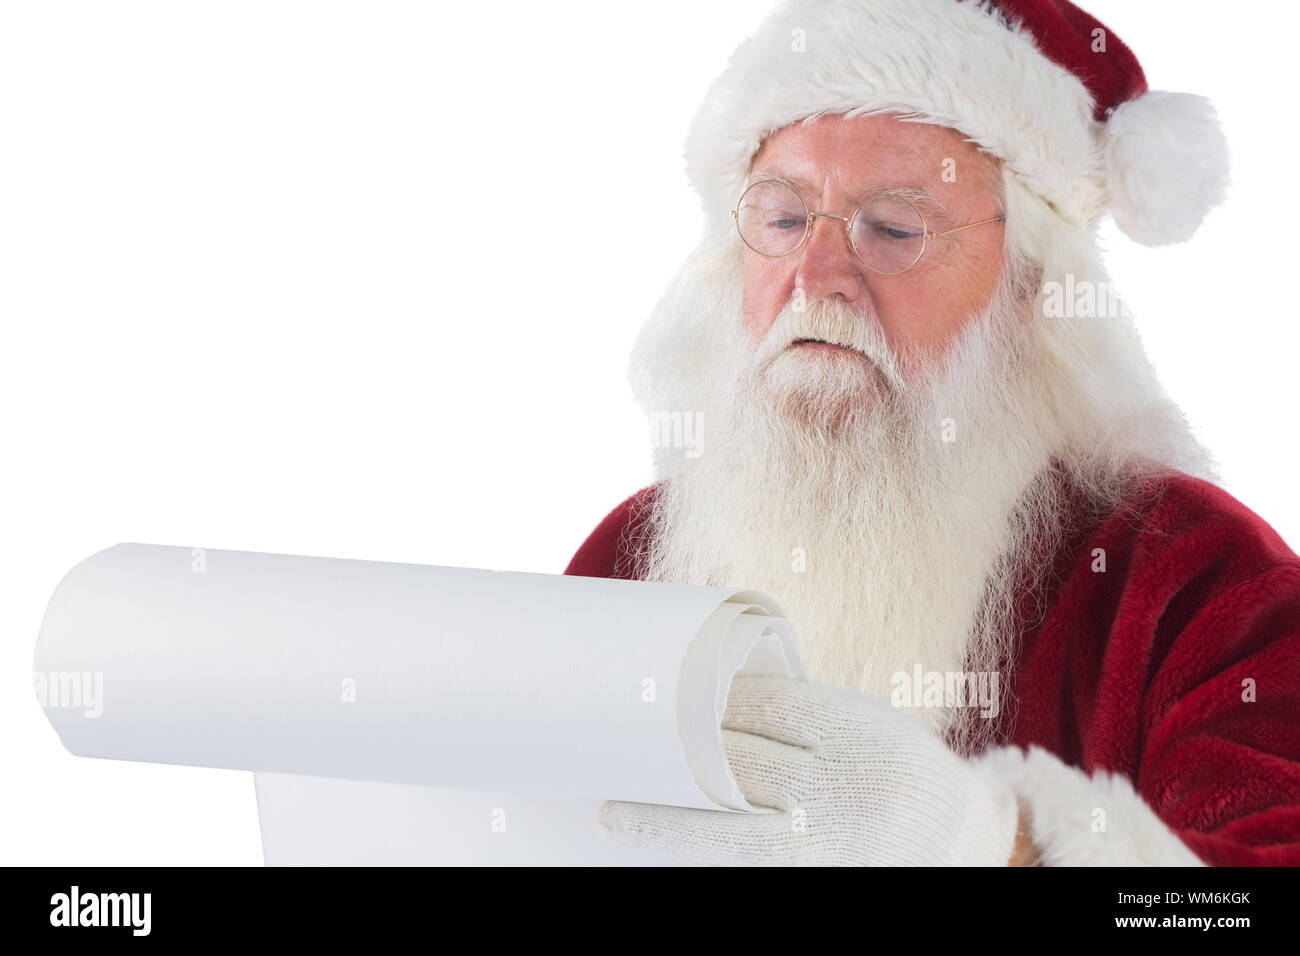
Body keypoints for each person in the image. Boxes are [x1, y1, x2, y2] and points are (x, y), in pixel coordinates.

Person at [564, 0, 1300, 866]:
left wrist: (1003, 847)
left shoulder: (1195, 584)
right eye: (782, 218)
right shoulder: (633, 559)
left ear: (1031, 293)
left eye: (895, 228)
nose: (816, 277)